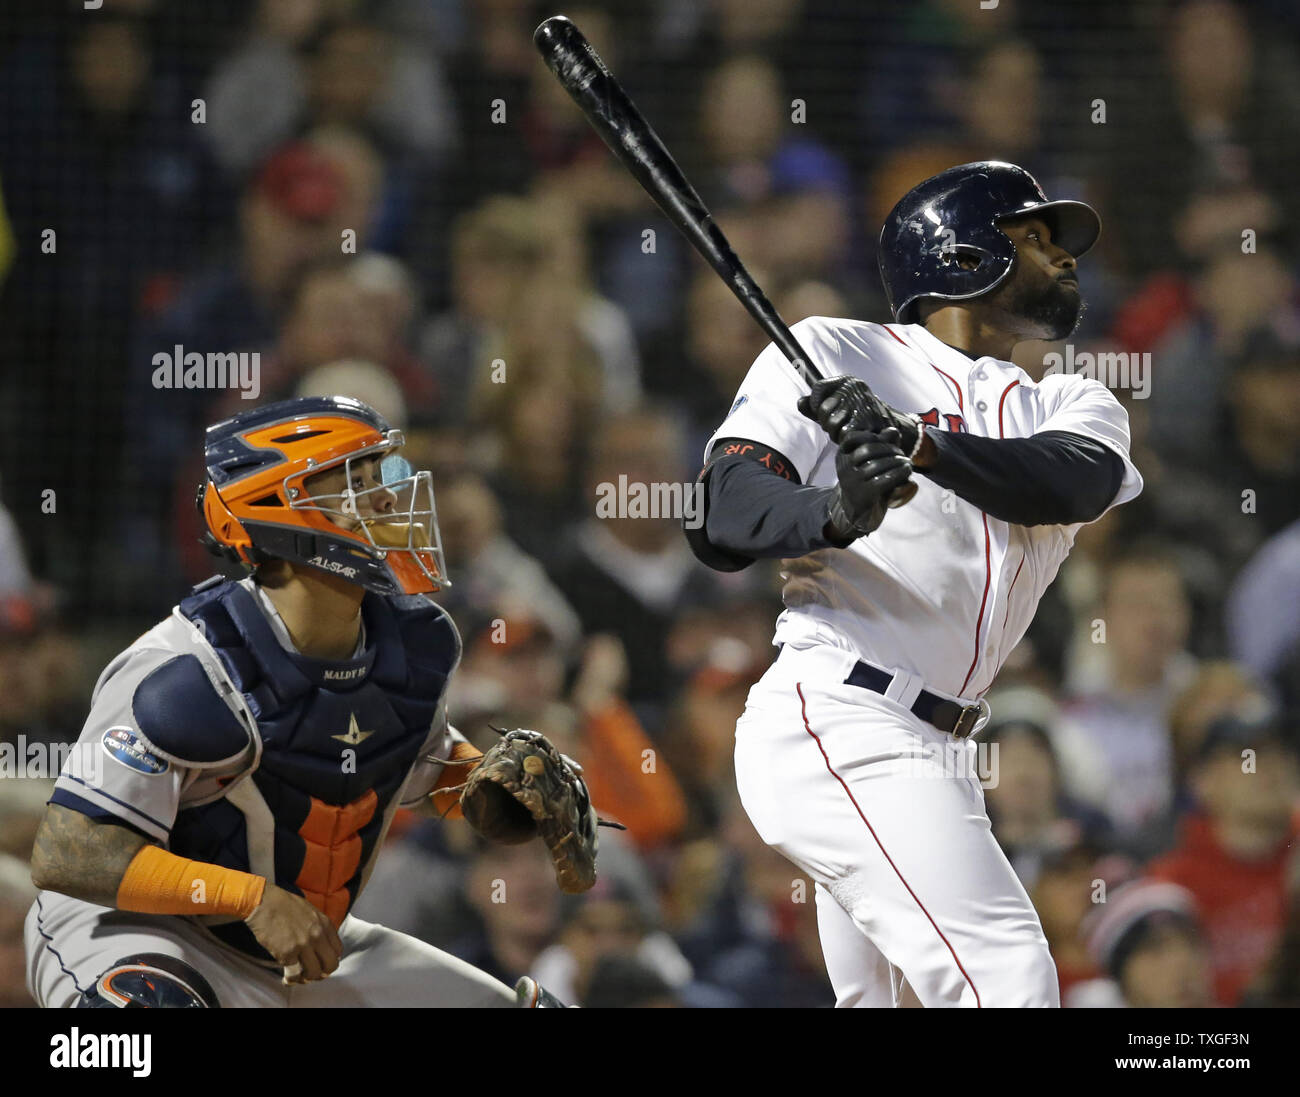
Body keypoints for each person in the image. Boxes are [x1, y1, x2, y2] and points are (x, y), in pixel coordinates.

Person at [687, 162, 1143, 1007]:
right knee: (1007, 976)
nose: (1066, 255)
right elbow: (726, 506)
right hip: (842, 714)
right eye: (1036, 235)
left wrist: (920, 444)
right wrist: (838, 507)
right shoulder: (834, 350)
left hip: (939, 746)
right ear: (962, 252)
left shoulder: (1070, 402)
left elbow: (1071, 480)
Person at [24, 396, 583, 1008]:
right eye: (355, 481)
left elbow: (405, 767)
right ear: (277, 508)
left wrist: (493, 790)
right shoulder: (185, 669)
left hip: (300, 952)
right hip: (141, 932)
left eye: (382, 476)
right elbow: (70, 851)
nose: (388, 500)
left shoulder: (414, 645)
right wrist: (248, 898)